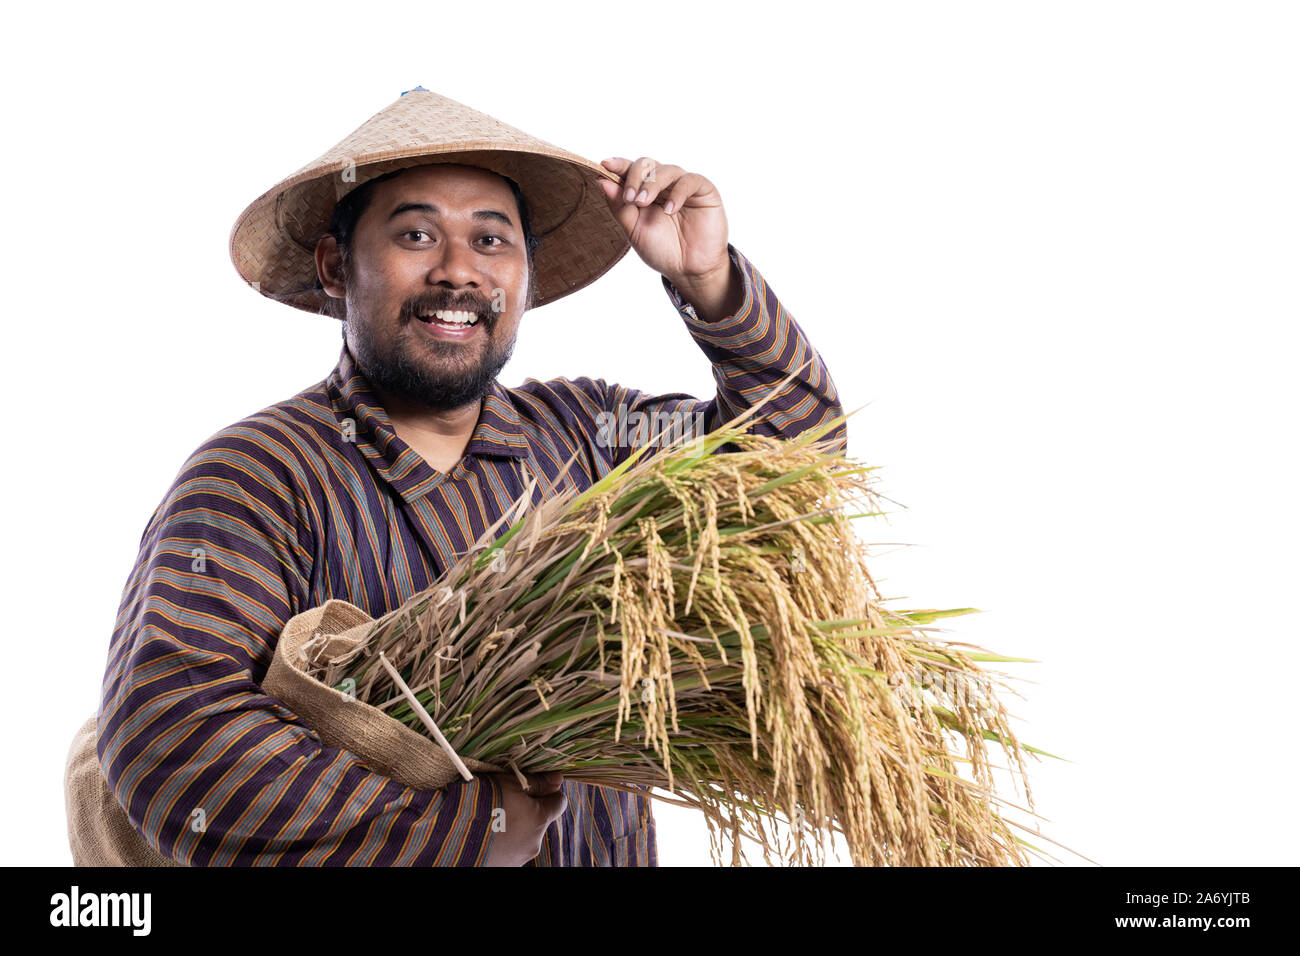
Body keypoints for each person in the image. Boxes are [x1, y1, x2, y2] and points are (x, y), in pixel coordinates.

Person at [84, 88, 846, 866]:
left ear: (524, 278)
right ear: (335, 267)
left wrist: (708, 277)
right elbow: (174, 730)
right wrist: (459, 832)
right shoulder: (260, 473)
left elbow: (795, 458)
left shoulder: (591, 436)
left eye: (491, 241)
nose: (457, 272)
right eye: (415, 234)